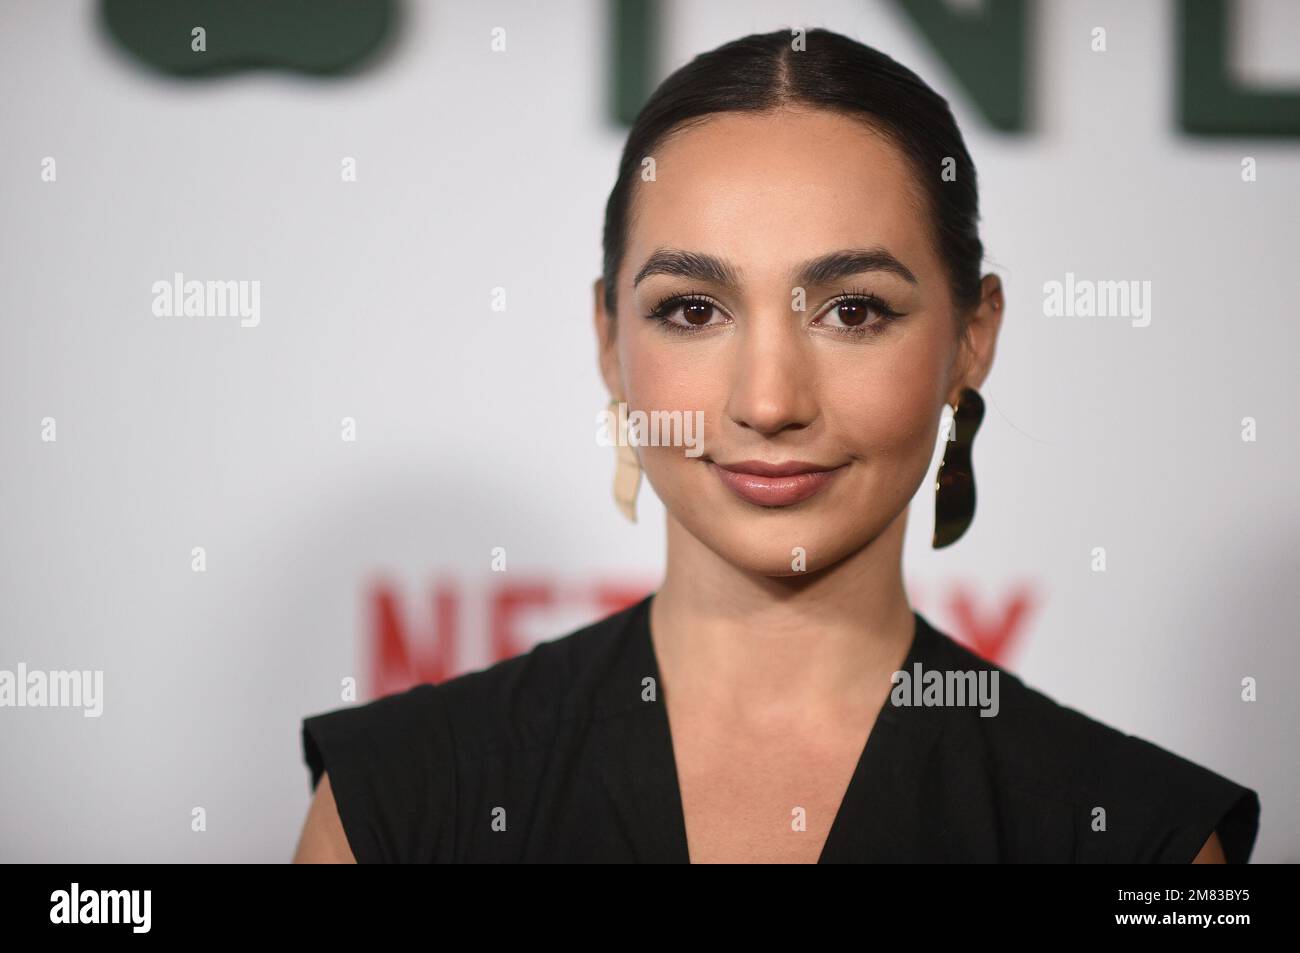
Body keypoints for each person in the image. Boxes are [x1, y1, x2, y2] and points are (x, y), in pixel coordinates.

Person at [292, 27, 1259, 863]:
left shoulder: (1137, 835)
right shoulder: (399, 802)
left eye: (852, 309)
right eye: (693, 309)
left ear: (973, 338)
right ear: (608, 343)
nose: (768, 400)